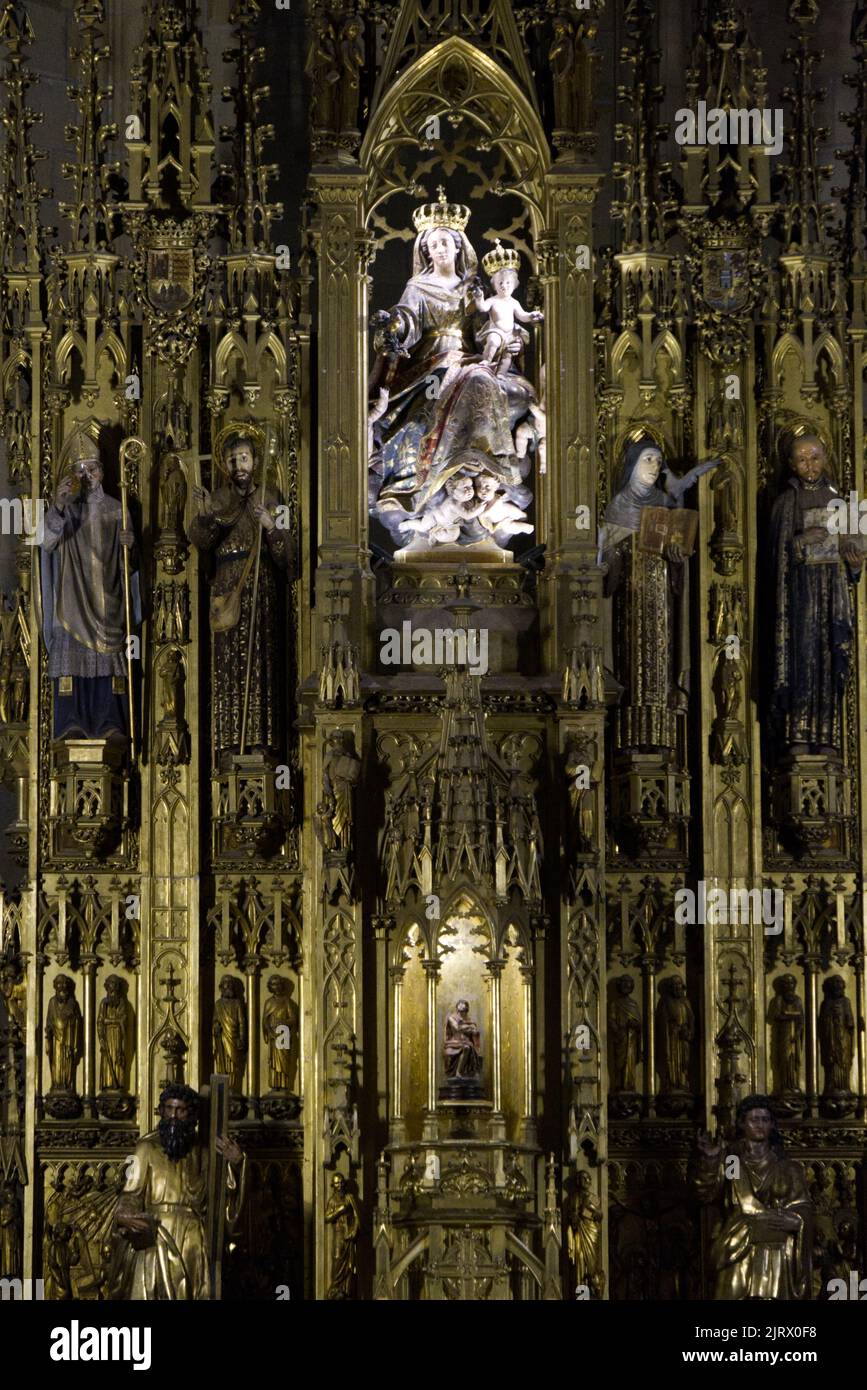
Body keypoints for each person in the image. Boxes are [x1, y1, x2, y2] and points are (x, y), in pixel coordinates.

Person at [369, 188, 537, 546]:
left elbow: (483, 329)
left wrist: (502, 336)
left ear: (458, 245)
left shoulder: (472, 288)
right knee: (441, 392)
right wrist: (396, 325)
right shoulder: (417, 286)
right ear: (425, 250)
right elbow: (407, 321)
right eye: (432, 245)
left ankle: (485, 478)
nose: (438, 249)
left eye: (445, 242)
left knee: (481, 379)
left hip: (468, 359)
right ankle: (429, 489)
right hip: (429, 363)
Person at [190, 423, 290, 765]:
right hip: (226, 589)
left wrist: (271, 525)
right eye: (232, 461)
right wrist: (204, 517)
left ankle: (262, 742)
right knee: (228, 667)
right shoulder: (219, 500)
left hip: (260, 593)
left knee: (260, 662)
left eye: (244, 458)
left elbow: (287, 556)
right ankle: (229, 743)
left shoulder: (271, 498)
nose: (239, 467)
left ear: (255, 460)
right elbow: (200, 542)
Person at [39, 424, 139, 739]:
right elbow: (46, 542)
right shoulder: (64, 510)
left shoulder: (115, 509)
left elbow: (130, 567)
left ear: (103, 472)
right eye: (80, 471)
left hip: (107, 601)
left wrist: (129, 546)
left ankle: (109, 720)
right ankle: (73, 721)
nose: (87, 476)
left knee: (108, 665)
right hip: (72, 600)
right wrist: (58, 504)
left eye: (92, 469)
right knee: (71, 665)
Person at [768, 433, 861, 755]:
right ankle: (799, 735)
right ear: (792, 464)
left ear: (826, 457)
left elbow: (856, 562)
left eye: (815, 457)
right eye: (803, 460)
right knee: (804, 660)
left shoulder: (843, 501)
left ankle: (827, 736)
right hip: (801, 595)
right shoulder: (786, 502)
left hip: (833, 594)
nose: (810, 466)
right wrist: (799, 542)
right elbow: (774, 557)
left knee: (829, 659)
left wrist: (855, 563)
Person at [109, 1083, 244, 1300]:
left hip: (194, 1242)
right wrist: (126, 1214)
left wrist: (236, 1165)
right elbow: (130, 1195)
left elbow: (222, 1199)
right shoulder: (146, 1148)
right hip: (156, 1238)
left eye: (180, 1110)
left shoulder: (205, 1153)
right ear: (160, 1111)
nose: (173, 1116)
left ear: (191, 1115)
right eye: (169, 1109)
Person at [693, 1094, 812, 1300]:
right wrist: (711, 1160)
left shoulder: (787, 1167)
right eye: (754, 1119)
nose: (760, 1125)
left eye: (765, 1120)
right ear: (742, 1123)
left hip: (775, 1250)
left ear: (772, 1125)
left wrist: (797, 1220)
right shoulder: (733, 1163)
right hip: (737, 1244)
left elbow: (804, 1207)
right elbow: (711, 1192)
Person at [442, 999, 482, 1080]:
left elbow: (474, 1031)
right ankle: (458, 1073)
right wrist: (469, 1027)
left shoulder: (469, 1020)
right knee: (467, 1047)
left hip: (466, 1042)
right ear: (457, 1009)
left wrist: (470, 1029)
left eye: (464, 1011)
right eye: (460, 1011)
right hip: (454, 1043)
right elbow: (457, 1028)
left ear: (466, 1011)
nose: (462, 1013)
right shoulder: (451, 1018)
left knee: (468, 1047)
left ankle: (460, 1072)